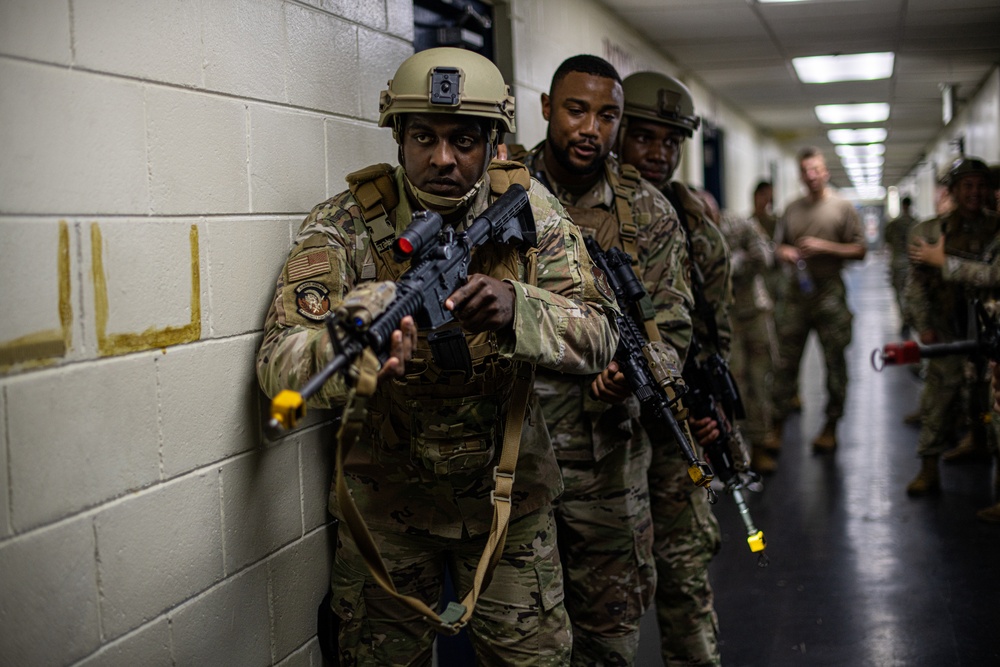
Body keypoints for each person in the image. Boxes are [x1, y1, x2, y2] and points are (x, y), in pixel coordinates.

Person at [256, 47, 620, 665]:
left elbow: (605, 332)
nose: (443, 158)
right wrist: (345, 347)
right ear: (398, 138)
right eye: (423, 136)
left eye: (464, 140)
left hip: (510, 503)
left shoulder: (533, 214)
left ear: (494, 144)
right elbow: (279, 365)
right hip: (385, 513)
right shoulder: (344, 226)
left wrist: (519, 308)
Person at [512, 55, 695, 666]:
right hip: (513, 458)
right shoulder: (498, 190)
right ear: (546, 108)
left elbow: (673, 328)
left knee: (609, 637)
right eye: (576, 109)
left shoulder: (648, 211)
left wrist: (639, 378)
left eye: (607, 114)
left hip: (607, 461)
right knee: (521, 641)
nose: (590, 127)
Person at [618, 70, 729, 667]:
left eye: (670, 142)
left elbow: (714, 336)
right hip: (595, 433)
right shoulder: (560, 207)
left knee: (685, 574)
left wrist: (713, 413)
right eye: (644, 138)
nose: (658, 154)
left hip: (674, 429)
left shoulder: (694, 224)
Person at [905, 156, 1000, 498]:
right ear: (954, 191)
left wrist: (946, 262)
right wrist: (924, 325)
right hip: (948, 331)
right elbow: (915, 287)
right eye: (967, 186)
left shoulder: (996, 229)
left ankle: (978, 444)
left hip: (990, 334)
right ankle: (928, 469)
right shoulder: (932, 232)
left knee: (987, 401)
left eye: (980, 186)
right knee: (938, 403)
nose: (974, 193)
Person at [771, 147, 866, 453]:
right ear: (800, 175)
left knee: (834, 363)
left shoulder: (842, 207)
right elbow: (778, 246)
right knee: (784, 362)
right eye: (805, 171)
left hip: (830, 293)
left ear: (825, 172)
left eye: (816, 170)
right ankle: (775, 426)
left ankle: (830, 426)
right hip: (797, 292)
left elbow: (860, 250)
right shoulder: (791, 209)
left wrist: (825, 247)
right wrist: (785, 252)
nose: (811, 176)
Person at [719, 206, 780, 473]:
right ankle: (734, 450)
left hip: (753, 312)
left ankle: (760, 444)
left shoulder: (739, 223)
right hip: (724, 316)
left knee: (761, 382)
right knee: (733, 385)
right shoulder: (692, 228)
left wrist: (734, 262)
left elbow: (764, 256)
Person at [884, 196, 917, 337]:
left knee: (899, 295)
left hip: (897, 263)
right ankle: (908, 318)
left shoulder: (893, 224)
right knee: (911, 295)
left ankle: (905, 317)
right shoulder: (916, 224)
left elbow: (888, 240)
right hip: (912, 264)